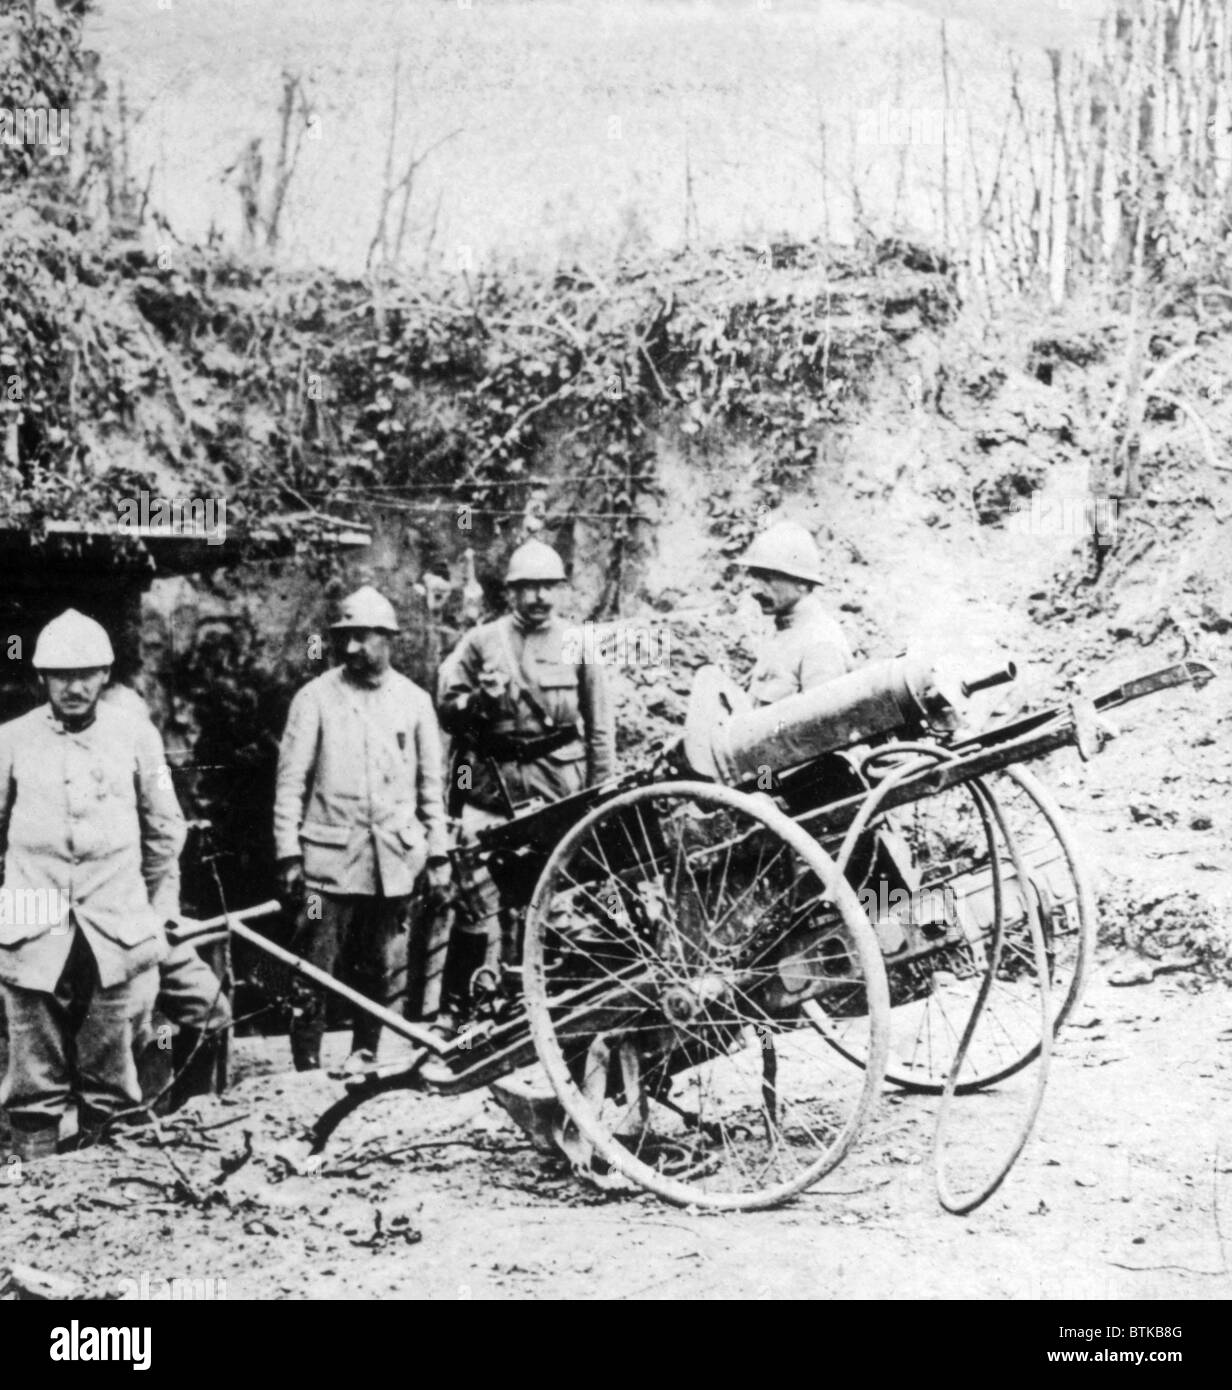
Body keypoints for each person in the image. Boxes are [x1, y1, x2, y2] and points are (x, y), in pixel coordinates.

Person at [0, 611, 185, 1162]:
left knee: (112, 1076)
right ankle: (34, 1199)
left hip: (115, 928)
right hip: (31, 925)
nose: (74, 686)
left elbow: (165, 829)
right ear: (41, 679)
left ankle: (108, 1200)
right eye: (60, 675)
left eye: (86, 673)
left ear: (105, 674)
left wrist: (151, 912)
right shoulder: (11, 740)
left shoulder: (137, 737)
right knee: (34, 1081)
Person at [273, 585, 450, 1072]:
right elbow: (290, 783)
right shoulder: (314, 699)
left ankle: (365, 1052)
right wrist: (288, 854)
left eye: (363, 638)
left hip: (391, 862)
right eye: (344, 638)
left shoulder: (414, 702)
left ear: (388, 639)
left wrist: (437, 855)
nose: (351, 648)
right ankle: (306, 1067)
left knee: (377, 964)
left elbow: (432, 789)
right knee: (313, 964)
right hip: (325, 863)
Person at [435, 539, 615, 999]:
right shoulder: (480, 644)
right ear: (510, 592)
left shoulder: (579, 642)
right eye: (528, 588)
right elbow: (448, 713)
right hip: (492, 796)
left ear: (561, 591)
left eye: (548, 587)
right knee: (474, 901)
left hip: (559, 794)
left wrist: (598, 799)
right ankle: (460, 1011)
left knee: (556, 898)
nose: (539, 597)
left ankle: (558, 1005)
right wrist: (481, 701)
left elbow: (599, 729)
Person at [101, 682, 231, 1111]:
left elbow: (166, 855)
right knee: (117, 1035)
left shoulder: (153, 785)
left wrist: (164, 922)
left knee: (210, 1008)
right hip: (94, 940)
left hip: (151, 932)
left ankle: (186, 1113)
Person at [735, 520, 854, 704]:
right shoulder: (782, 629)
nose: (755, 591)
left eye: (767, 579)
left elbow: (822, 724)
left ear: (801, 583)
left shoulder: (820, 645)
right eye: (754, 578)